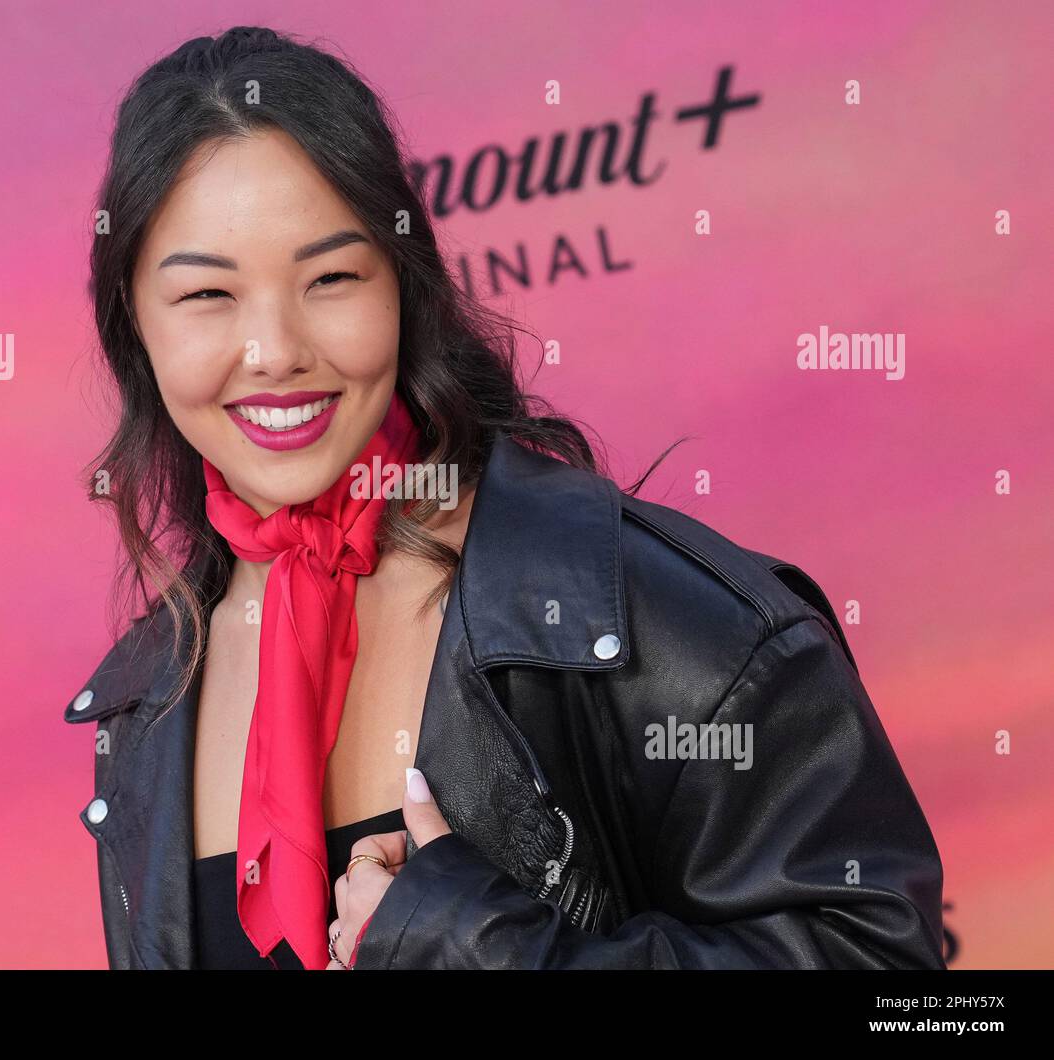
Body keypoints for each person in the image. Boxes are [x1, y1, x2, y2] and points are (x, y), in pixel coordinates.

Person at [64, 25, 947, 970]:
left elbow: (888, 972)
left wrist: (484, 951)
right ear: (136, 329)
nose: (276, 349)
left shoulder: (636, 617)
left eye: (330, 278)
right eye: (208, 296)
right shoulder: (149, 702)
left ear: (403, 287)